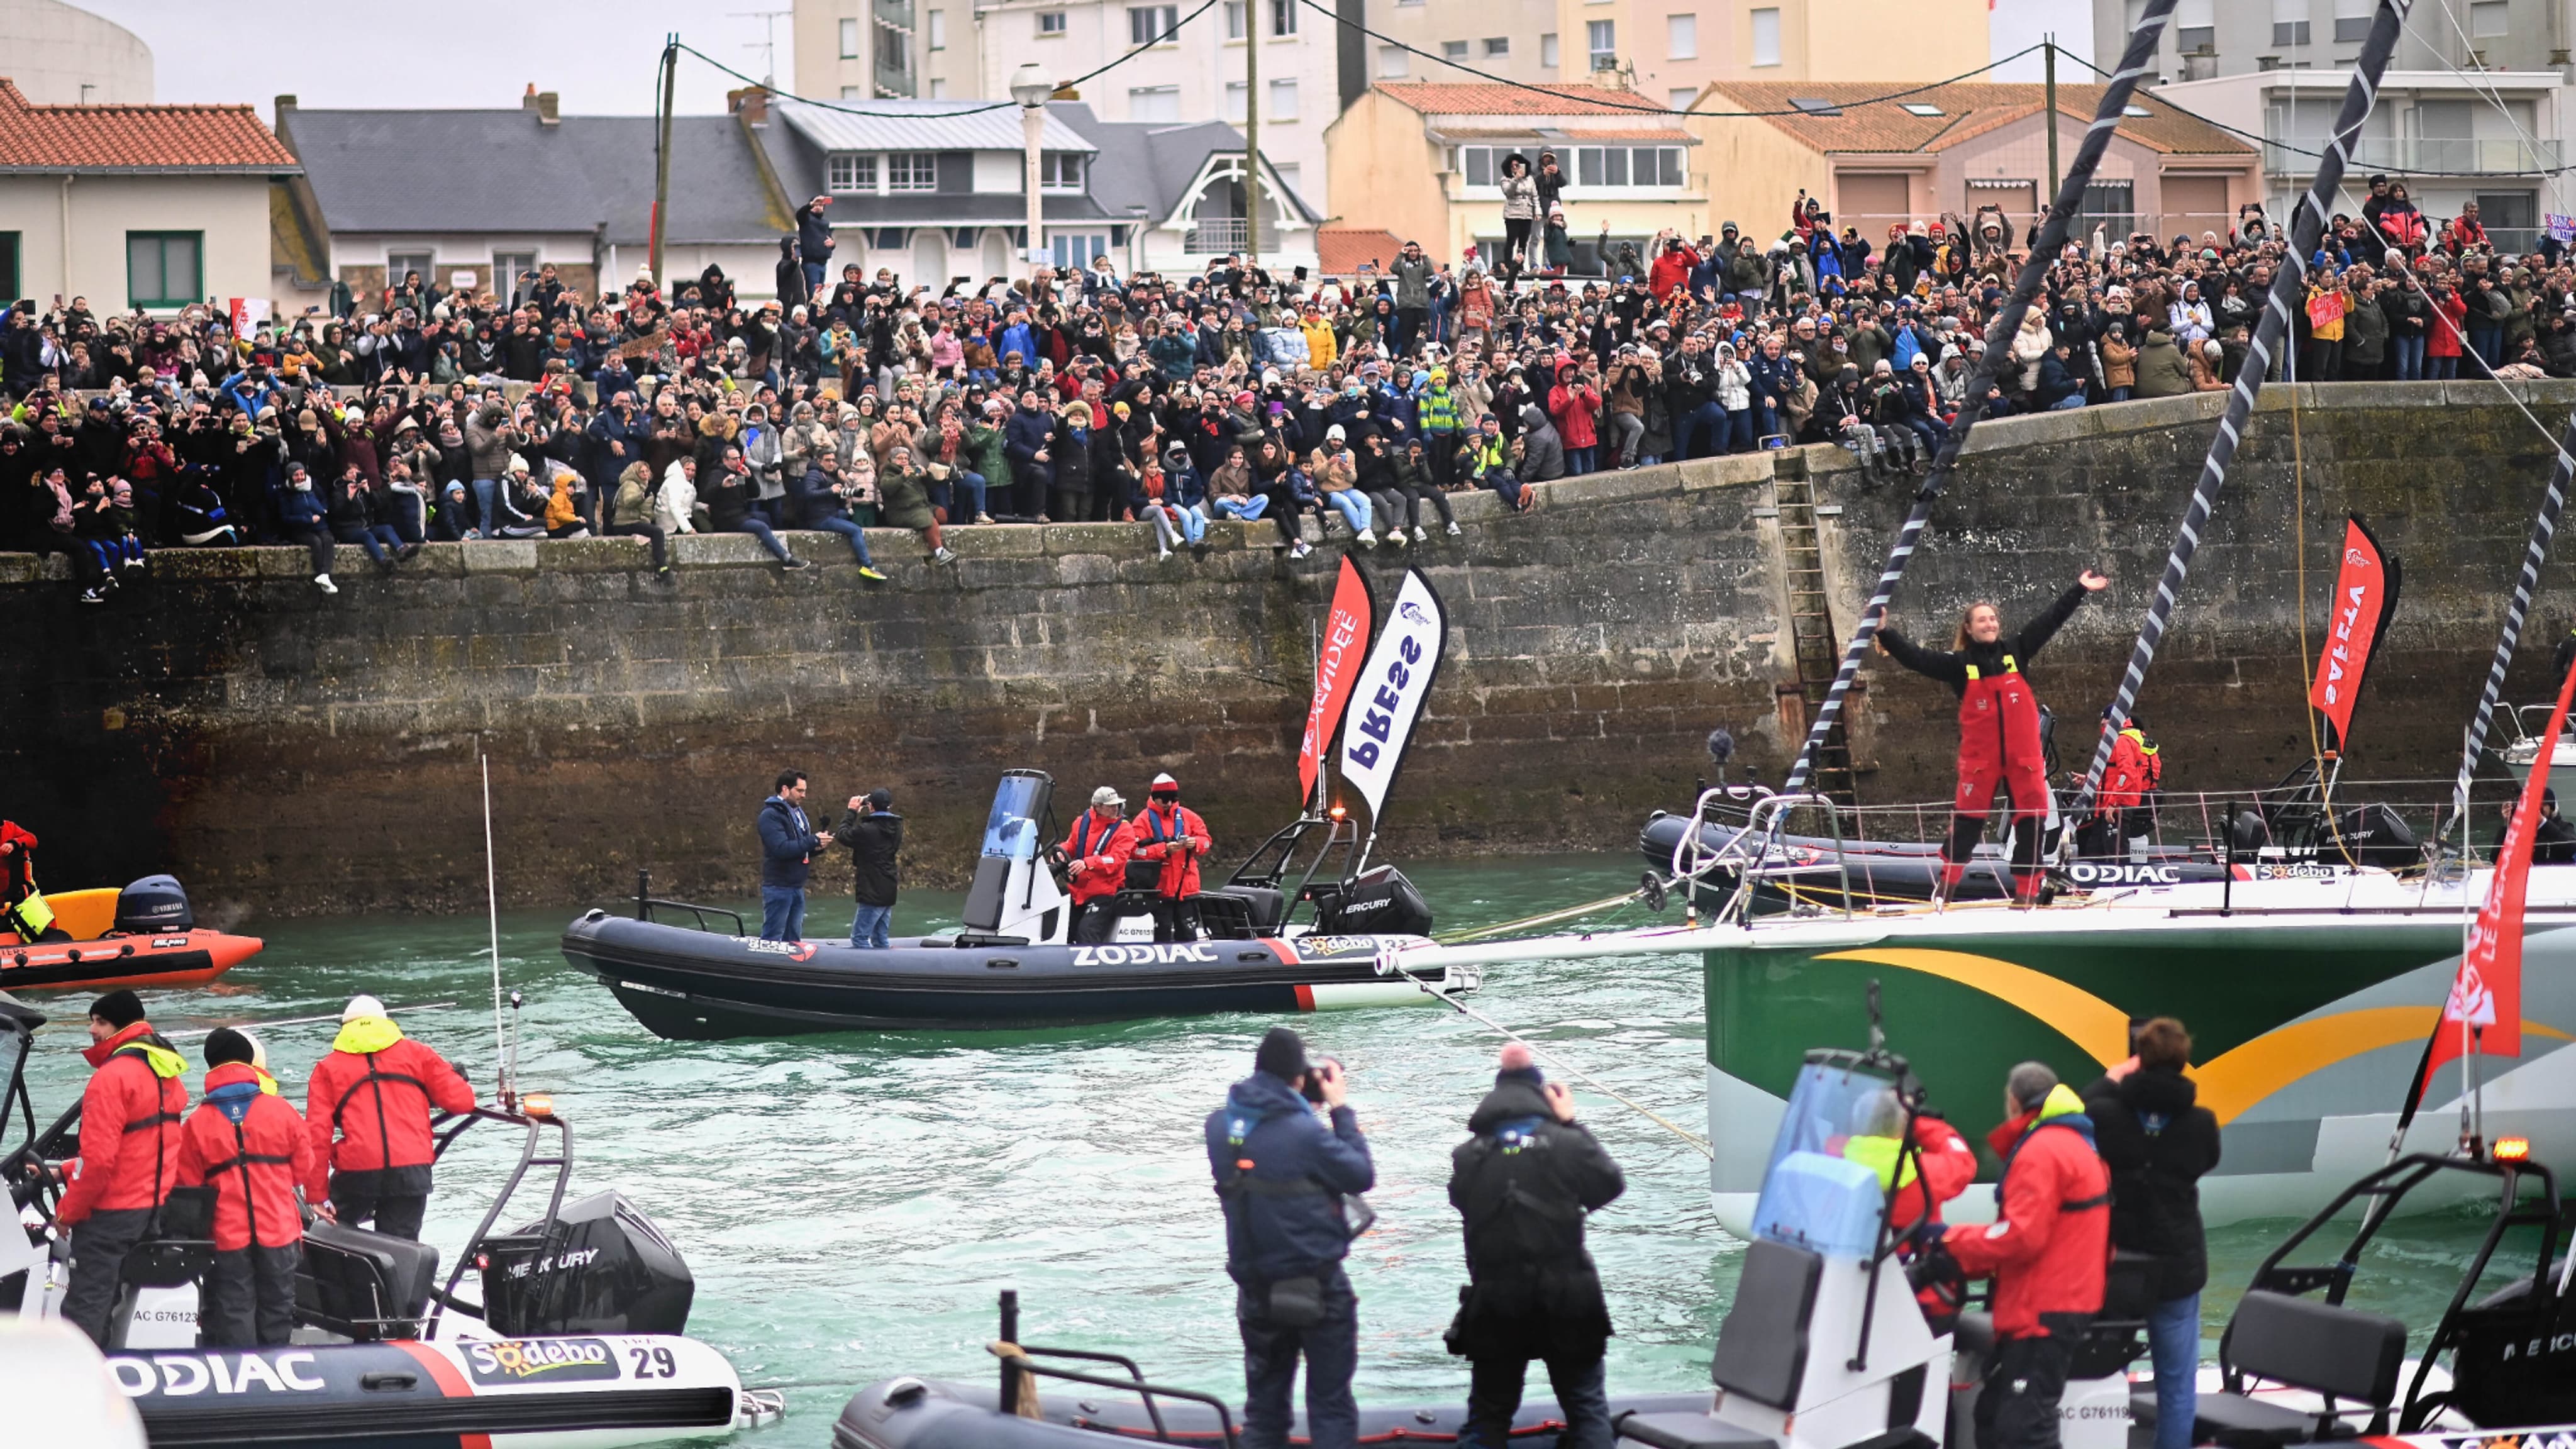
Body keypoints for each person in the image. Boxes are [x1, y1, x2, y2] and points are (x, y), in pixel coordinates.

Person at [1878, 571, 2109, 906]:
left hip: (2024, 758)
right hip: (1981, 760)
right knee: (1968, 823)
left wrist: (2079, 589)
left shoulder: (2017, 651)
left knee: (2031, 821)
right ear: (1969, 629)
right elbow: (1916, 658)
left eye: (1993, 618)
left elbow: (2050, 620)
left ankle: (2027, 893)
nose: (1989, 623)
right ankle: (1947, 887)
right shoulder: (1958, 665)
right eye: (1982, 620)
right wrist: (1884, 632)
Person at [1444, 1043, 1624, 1449]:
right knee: (1586, 1406)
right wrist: (1572, 1124)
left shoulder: (1468, 1157)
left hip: (1496, 1302)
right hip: (1569, 1300)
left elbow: (1460, 1201)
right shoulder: (1569, 1145)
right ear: (1542, 1094)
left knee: (1489, 1415)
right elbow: (1609, 1186)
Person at [1205, 1028, 1374, 1449]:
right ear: (1299, 1077)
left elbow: (1271, 1143)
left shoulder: (1219, 1126)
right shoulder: (1307, 1133)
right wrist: (1339, 1109)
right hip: (1317, 1286)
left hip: (1256, 1289)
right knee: (1330, 1403)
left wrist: (1302, 1101)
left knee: (1264, 1411)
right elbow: (1360, 1174)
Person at [1941, 1062, 2111, 1449]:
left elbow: (2020, 1236)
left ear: (2014, 1102)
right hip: (2054, 1301)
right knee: (1992, 1415)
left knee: (2025, 1430)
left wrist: (1953, 1243)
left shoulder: (2041, 1151)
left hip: (2044, 1310)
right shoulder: (2069, 1142)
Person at [2082, 1021, 2221, 1449]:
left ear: (2138, 1058)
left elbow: (2080, 1109)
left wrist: (2112, 1077)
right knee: (2176, 1384)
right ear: (2183, 1060)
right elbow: (2207, 1161)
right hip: (2177, 1262)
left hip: (2119, 1259)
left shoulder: (2106, 1114)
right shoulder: (2201, 1122)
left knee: (2106, 1370)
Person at [43, 989, 187, 1348]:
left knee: (85, 1307)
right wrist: (65, 1170)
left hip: (109, 1214)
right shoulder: (165, 1073)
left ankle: (80, 1382)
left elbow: (99, 1162)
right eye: (92, 1021)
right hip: (148, 1211)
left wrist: (66, 1213)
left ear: (122, 1026)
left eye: (101, 1022)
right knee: (111, 1298)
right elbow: (141, 1148)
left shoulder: (111, 1078)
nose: (93, 1030)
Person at [175, 1026, 320, 1347]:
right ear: (250, 1063)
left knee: (233, 1309)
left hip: (227, 1235)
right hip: (279, 1229)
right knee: (278, 1307)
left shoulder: (197, 1122)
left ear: (210, 1065)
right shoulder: (281, 1110)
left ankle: (239, 1379)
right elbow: (303, 1169)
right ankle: (276, 1374)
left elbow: (188, 1184)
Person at [304, 995, 477, 1240]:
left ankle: (344, 1275)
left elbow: (316, 1136)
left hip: (356, 1171)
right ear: (386, 1022)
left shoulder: (327, 1068)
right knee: (402, 1247)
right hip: (411, 1169)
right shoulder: (419, 1054)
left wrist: (316, 1193)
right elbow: (463, 1102)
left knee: (333, 1235)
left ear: (345, 1028)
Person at [1131, 773, 1213, 942]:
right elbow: (1135, 852)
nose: (1168, 803)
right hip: (1159, 891)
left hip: (1187, 889)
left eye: (1172, 798)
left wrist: (1195, 843)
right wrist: (1163, 850)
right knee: (1162, 936)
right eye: (1164, 799)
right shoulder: (1142, 821)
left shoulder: (1189, 817)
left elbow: (1206, 842)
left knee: (1189, 935)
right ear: (1155, 797)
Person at [758, 769, 834, 941]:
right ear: (785, 789)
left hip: (797, 887)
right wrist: (813, 840)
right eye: (800, 791)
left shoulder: (797, 813)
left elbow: (800, 848)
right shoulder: (770, 815)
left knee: (793, 940)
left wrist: (818, 846)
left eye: (805, 791)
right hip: (779, 887)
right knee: (772, 938)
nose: (804, 795)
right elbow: (782, 849)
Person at [1060, 785, 1137, 944]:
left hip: (1105, 892)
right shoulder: (1081, 823)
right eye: (1110, 806)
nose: (1115, 809)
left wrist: (1088, 863)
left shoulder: (1124, 829)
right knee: (1064, 931)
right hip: (1078, 890)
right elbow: (1072, 844)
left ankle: (1092, 966)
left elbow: (1116, 859)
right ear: (1098, 807)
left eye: (1117, 805)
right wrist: (1061, 851)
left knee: (1087, 932)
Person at [838, 788, 903, 948]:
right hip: (888, 886)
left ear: (871, 806)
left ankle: (866, 971)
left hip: (871, 888)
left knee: (859, 938)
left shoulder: (866, 830)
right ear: (890, 805)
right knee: (880, 939)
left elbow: (842, 835)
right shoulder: (897, 826)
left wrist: (852, 812)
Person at [2096, 710, 2163, 861]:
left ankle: (2118, 879)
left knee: (2116, 850)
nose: (2102, 726)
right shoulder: (2130, 740)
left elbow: (2125, 775)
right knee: (2107, 847)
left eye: (2104, 722)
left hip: (2118, 803)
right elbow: (2114, 774)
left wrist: (2113, 802)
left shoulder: (2122, 741)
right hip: (2120, 800)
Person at [1, 819, 67, 942]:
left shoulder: (8, 828)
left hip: (19, 901)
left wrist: (14, 844)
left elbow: (32, 840)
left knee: (47, 933)